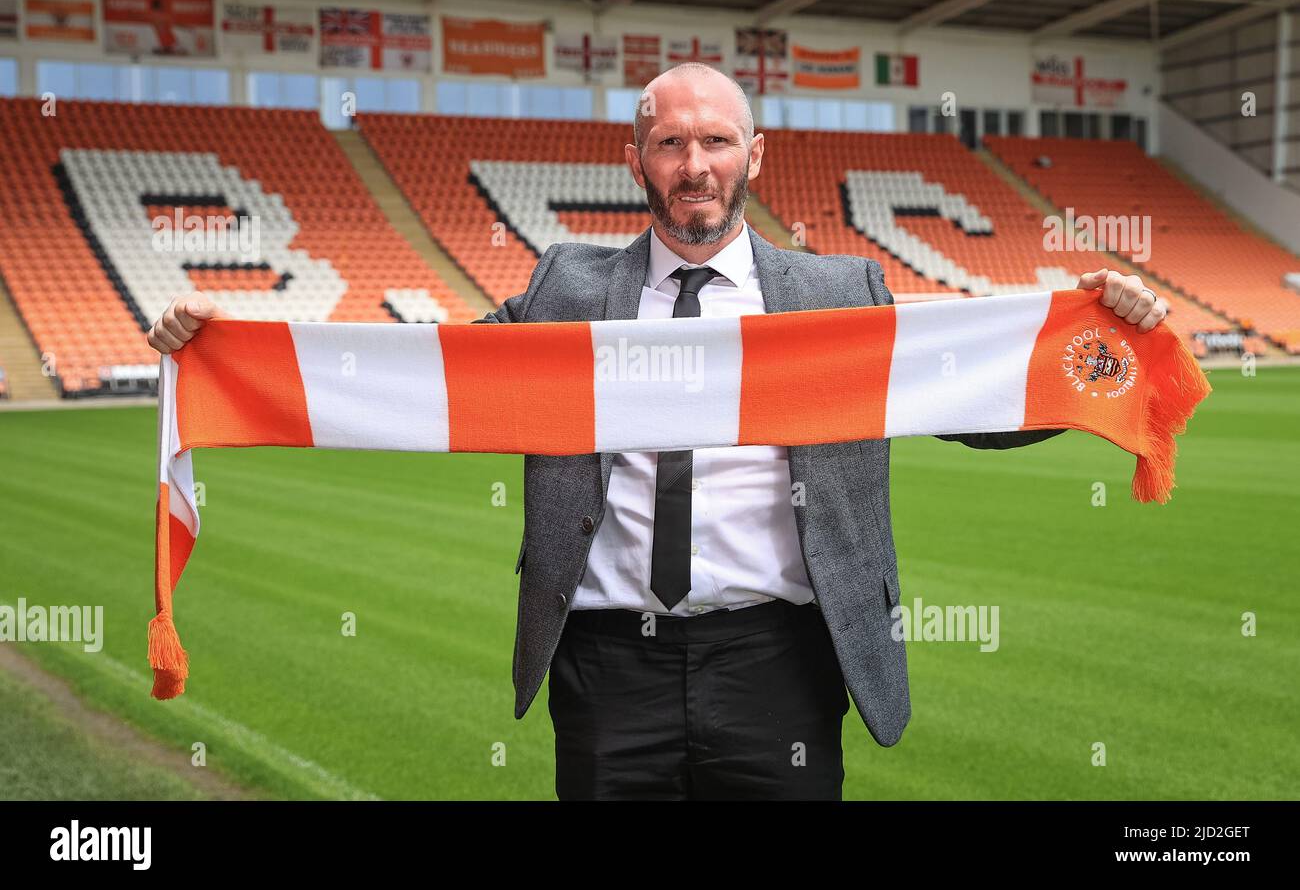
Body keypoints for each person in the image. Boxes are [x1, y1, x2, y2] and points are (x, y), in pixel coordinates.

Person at [147, 62, 1170, 800]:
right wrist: (231, 346)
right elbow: (425, 377)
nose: (694, 165)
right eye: (671, 142)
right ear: (635, 156)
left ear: (753, 154)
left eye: (715, 140)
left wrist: (1098, 342)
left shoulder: (833, 292)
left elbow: (974, 398)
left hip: (779, 662)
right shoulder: (567, 288)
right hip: (604, 666)